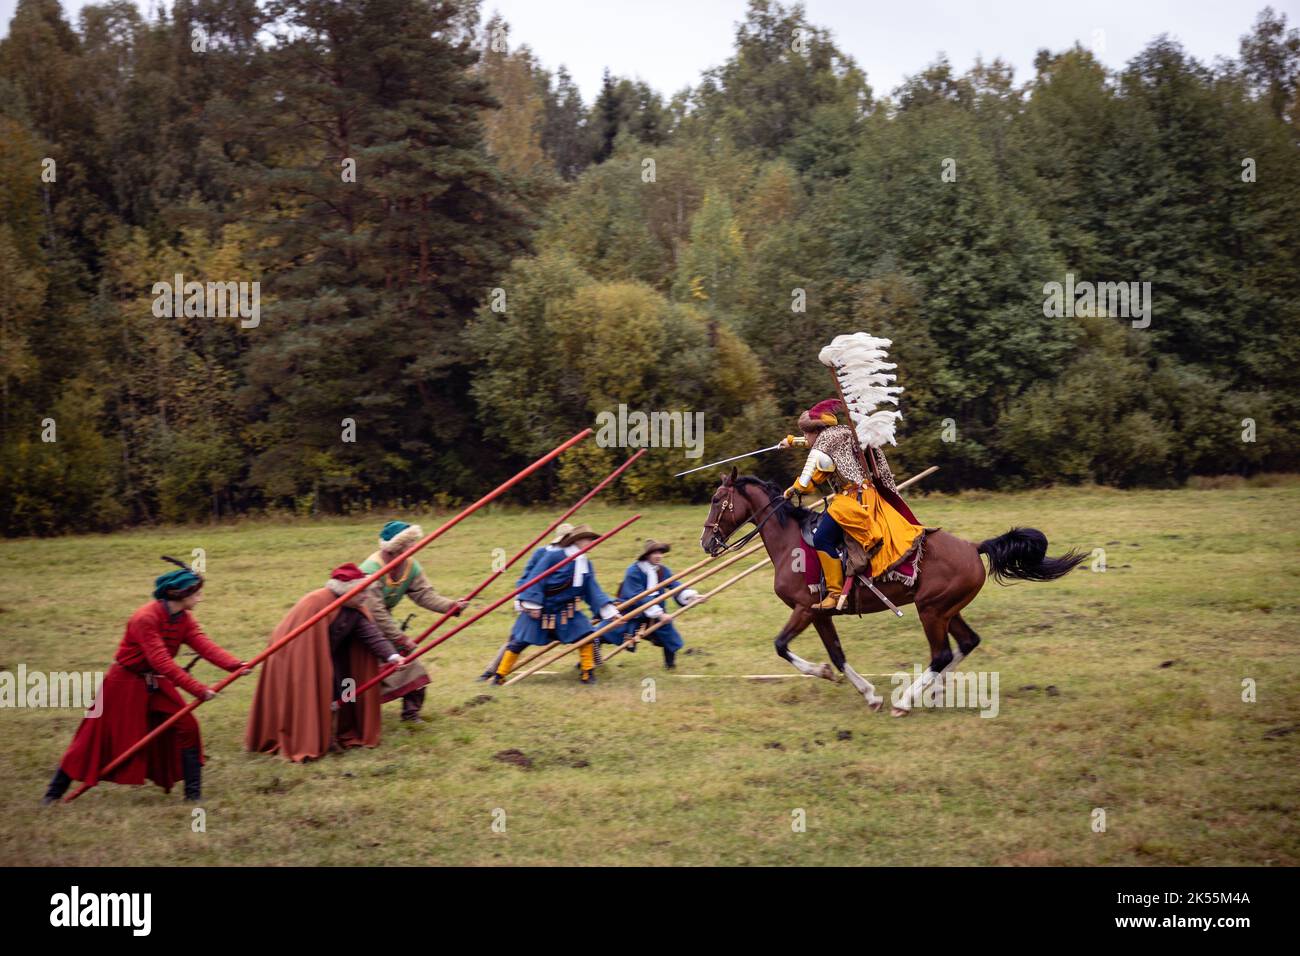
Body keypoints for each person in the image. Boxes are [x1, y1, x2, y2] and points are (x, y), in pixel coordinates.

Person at [42, 559, 249, 804]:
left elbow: (204, 645)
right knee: (91, 738)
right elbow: (162, 661)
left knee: (188, 727)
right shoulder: (145, 618)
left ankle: (193, 797)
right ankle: (53, 795)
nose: (200, 599)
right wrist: (198, 690)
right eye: (197, 593)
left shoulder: (183, 618)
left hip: (156, 683)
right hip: (123, 684)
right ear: (179, 594)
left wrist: (236, 665)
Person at [245, 564, 405, 761]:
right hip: (294, 657)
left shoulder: (356, 610)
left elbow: (372, 636)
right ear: (349, 591)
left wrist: (393, 656)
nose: (366, 597)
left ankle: (342, 730)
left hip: (332, 657)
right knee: (311, 695)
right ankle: (312, 737)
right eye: (362, 592)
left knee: (347, 689)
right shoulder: (316, 602)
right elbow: (298, 640)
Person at [780, 399, 924, 609]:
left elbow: (807, 482)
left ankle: (835, 594)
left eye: (807, 433)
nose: (807, 437)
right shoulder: (842, 433)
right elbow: (814, 442)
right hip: (868, 494)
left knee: (821, 537)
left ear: (817, 430)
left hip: (851, 500)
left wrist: (793, 490)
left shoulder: (824, 444)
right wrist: (792, 442)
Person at [359, 520, 468, 720]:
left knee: (411, 665)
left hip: (385, 624)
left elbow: (424, 594)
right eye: (410, 544)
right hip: (361, 626)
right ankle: (356, 710)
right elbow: (376, 613)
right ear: (396, 547)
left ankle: (410, 714)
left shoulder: (410, 565)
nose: (414, 547)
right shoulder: (371, 569)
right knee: (361, 672)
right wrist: (400, 639)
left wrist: (450, 606)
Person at [488, 524, 622, 685]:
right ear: (577, 541)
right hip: (542, 609)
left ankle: (587, 674)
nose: (590, 542)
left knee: (587, 636)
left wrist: (610, 611)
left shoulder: (586, 563)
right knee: (519, 641)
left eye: (592, 539)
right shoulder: (553, 557)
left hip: (567, 612)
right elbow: (535, 579)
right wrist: (532, 605)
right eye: (587, 539)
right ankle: (499, 676)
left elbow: (593, 589)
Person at [477, 522, 575, 681]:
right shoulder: (542, 553)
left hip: (560, 611)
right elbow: (527, 578)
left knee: (585, 634)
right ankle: (491, 672)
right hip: (536, 608)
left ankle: (589, 669)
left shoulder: (577, 558)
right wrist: (524, 601)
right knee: (516, 641)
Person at [616, 539, 700, 669]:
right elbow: (638, 597)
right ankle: (586, 664)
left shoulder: (662, 570)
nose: (659, 556)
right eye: (655, 553)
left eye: (661, 552)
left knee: (669, 637)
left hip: (655, 613)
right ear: (647, 555)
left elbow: (675, 585)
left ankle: (670, 666)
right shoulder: (633, 571)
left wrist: (693, 596)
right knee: (605, 634)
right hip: (633, 614)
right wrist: (660, 614)